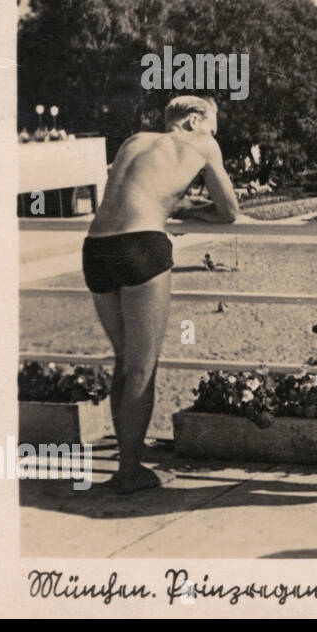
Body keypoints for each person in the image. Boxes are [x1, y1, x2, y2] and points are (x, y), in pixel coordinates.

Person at [83, 95, 244, 493]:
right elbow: (230, 211)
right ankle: (129, 472)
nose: (213, 134)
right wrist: (191, 212)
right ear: (193, 120)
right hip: (141, 247)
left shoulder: (133, 141)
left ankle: (126, 462)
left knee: (125, 362)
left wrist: (172, 204)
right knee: (142, 367)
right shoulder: (202, 144)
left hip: (96, 248)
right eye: (212, 125)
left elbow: (134, 192)